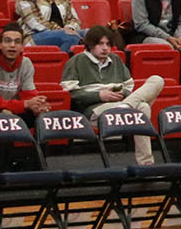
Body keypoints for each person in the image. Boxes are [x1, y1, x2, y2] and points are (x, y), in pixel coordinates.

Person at [60, 26, 163, 165]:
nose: (105, 48)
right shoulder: (76, 61)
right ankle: (146, 160)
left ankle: (146, 163)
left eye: (108, 44)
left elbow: (129, 88)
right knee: (143, 107)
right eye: (100, 44)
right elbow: (70, 94)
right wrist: (100, 96)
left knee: (157, 80)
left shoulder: (116, 60)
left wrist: (122, 95)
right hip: (95, 111)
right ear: (90, 44)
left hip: (120, 104)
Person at [0, 23, 52, 124]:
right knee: (6, 115)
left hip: (13, 106)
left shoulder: (26, 63)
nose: (12, 45)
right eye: (8, 41)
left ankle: (40, 140)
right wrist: (25, 104)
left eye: (17, 42)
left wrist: (37, 104)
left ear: (22, 47)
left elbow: (29, 94)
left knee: (42, 114)